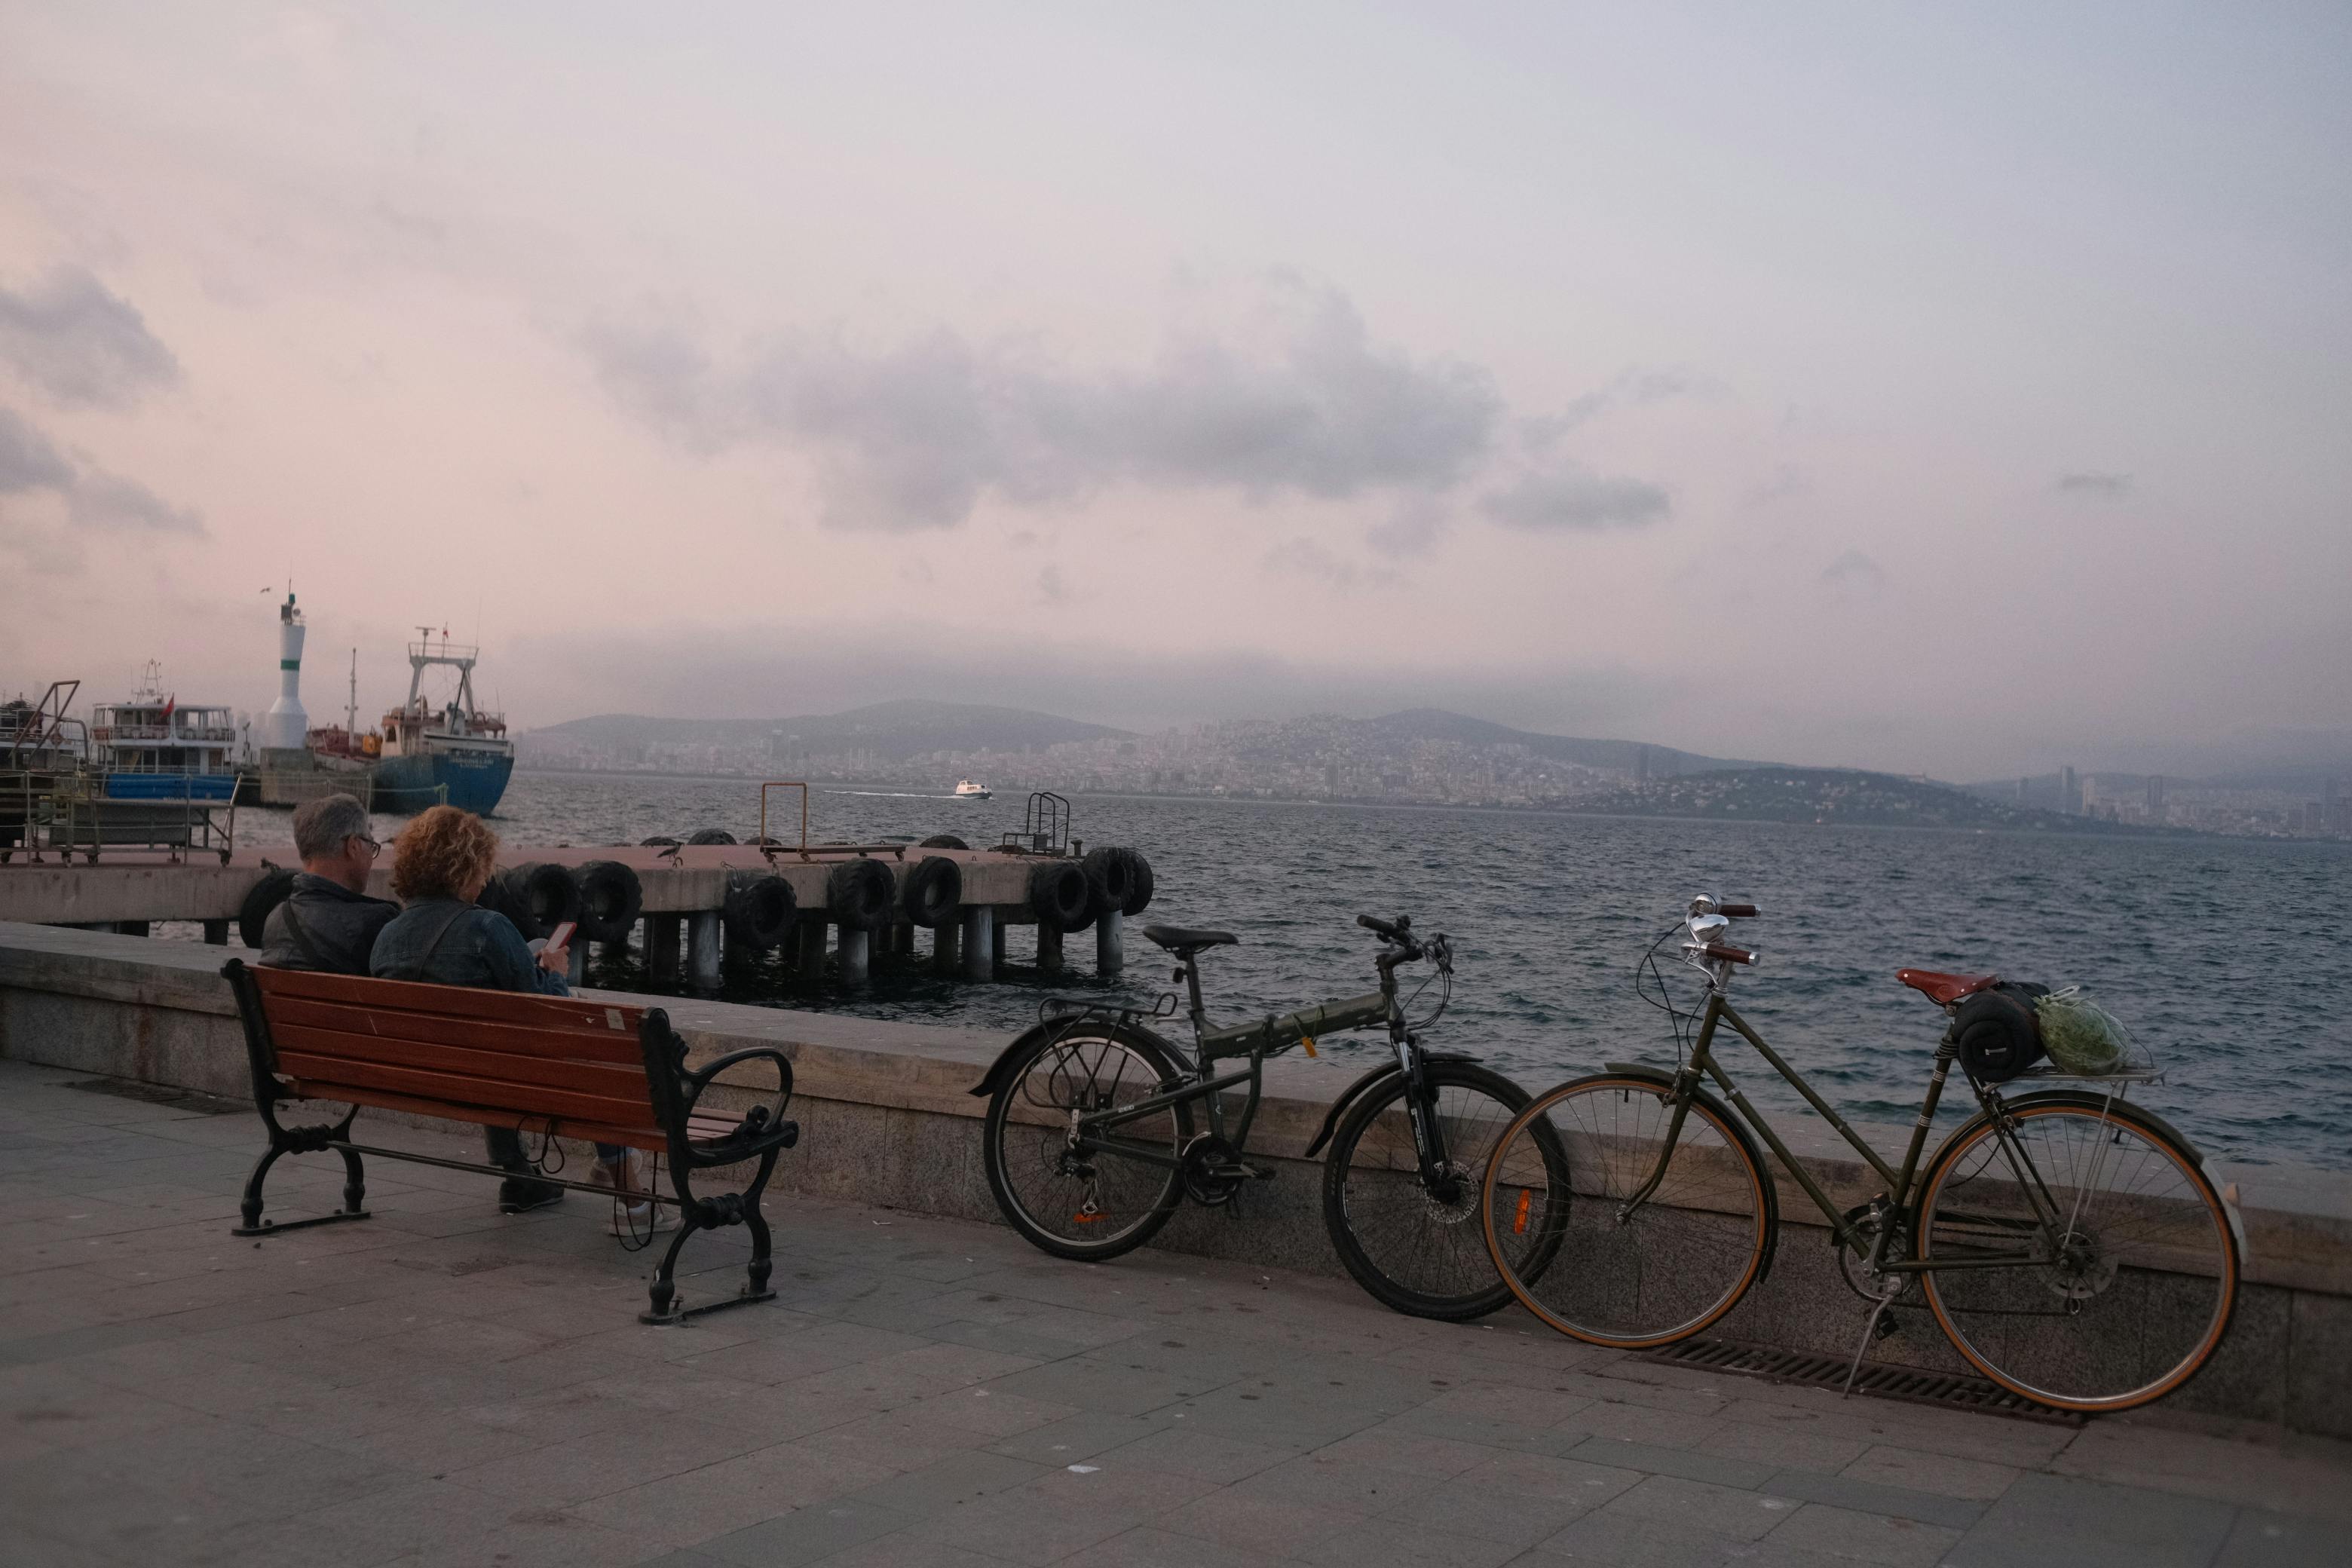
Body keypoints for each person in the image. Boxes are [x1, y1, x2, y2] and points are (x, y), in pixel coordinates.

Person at [369, 804, 667, 1235]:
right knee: (596, 1052)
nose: (487, 878)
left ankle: (522, 1174)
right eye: (482, 868)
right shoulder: (488, 928)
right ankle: (634, 1200)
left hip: (425, 1077)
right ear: (465, 867)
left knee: (496, 1051)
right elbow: (545, 1015)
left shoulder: (387, 937)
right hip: (507, 1078)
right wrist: (555, 973)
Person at [259, 794, 399, 974]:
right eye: (370, 845)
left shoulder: (275, 919)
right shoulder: (374, 923)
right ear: (353, 846)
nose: (372, 859)